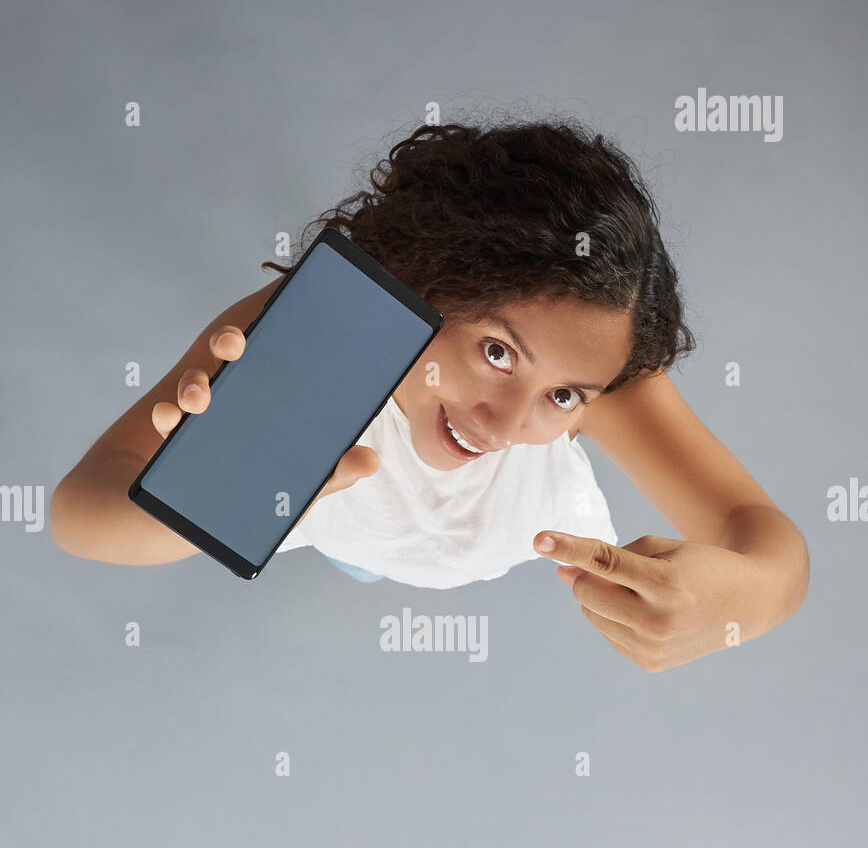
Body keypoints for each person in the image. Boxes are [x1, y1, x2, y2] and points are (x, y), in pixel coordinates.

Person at [50, 116, 808, 671]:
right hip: (344, 520)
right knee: (360, 554)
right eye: (497, 351)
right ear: (421, 280)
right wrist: (223, 497)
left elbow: (763, 535)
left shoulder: (602, 372)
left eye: (566, 398)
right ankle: (356, 546)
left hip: (500, 532)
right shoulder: (311, 337)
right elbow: (78, 514)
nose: (507, 425)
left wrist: (747, 598)